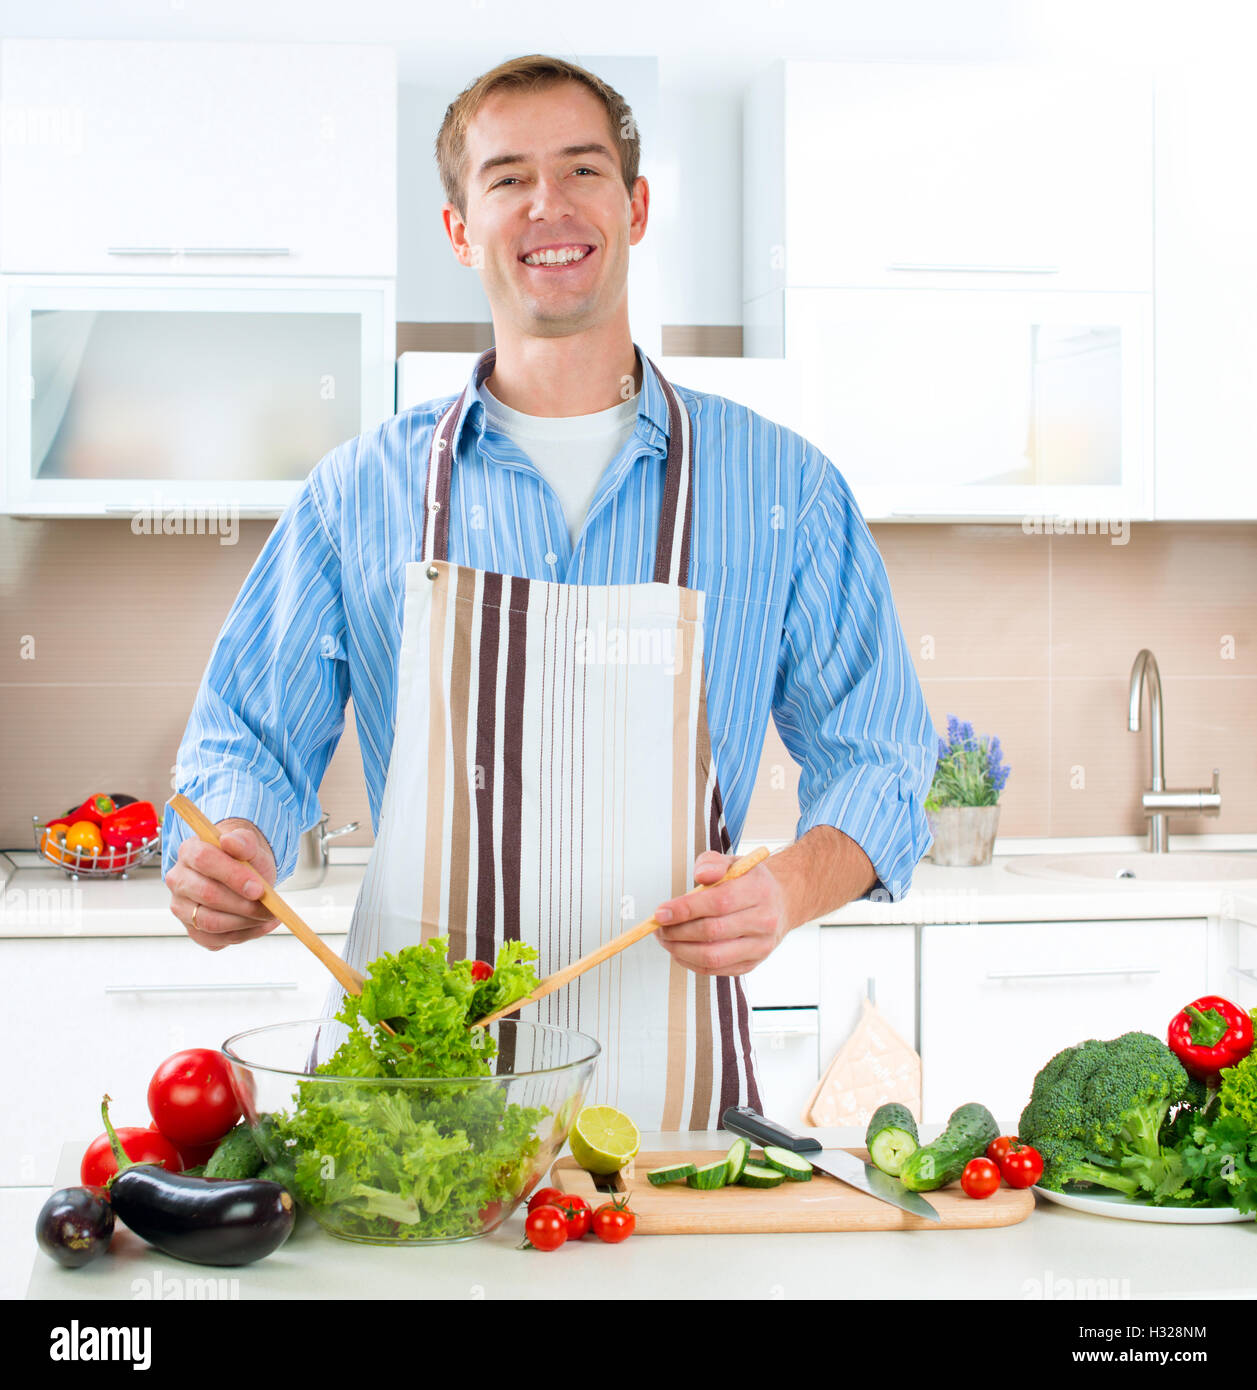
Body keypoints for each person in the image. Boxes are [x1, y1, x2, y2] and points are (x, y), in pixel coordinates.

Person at [163, 54, 937, 1130]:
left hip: (669, 1122)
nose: (548, 205)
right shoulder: (358, 494)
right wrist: (228, 848)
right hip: (409, 1117)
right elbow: (241, 743)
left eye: (582, 169)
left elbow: (885, 762)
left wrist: (787, 889)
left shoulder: (785, 490)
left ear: (637, 204)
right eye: (506, 177)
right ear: (456, 227)